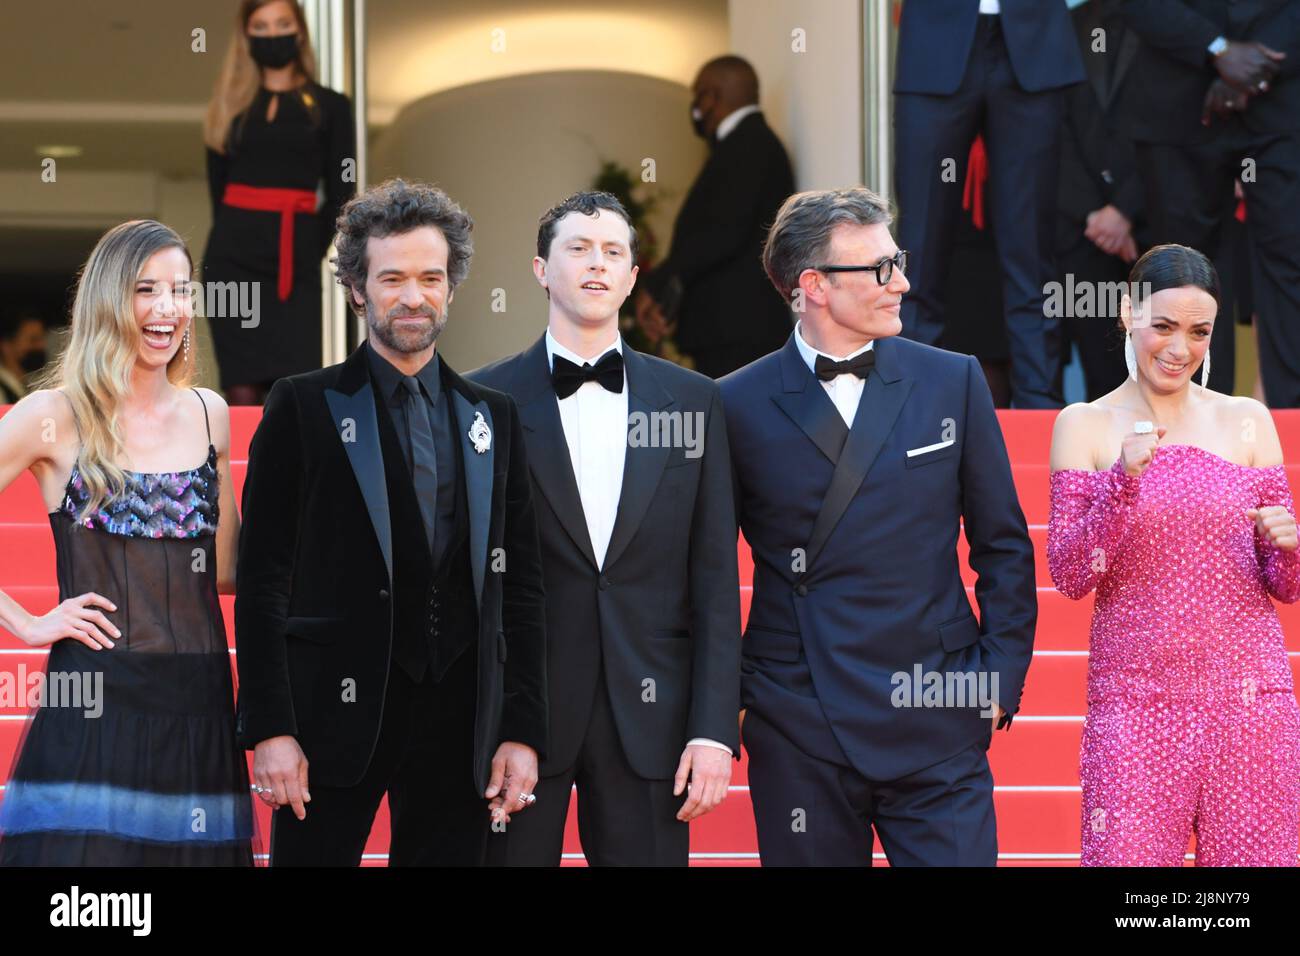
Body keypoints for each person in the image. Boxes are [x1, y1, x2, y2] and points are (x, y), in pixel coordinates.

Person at [719, 187, 1037, 866]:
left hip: (939, 714)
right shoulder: (734, 403)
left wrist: (995, 682)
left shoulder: (952, 380)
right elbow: (707, 571)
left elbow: (1003, 544)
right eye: (881, 269)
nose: (904, 283)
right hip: (800, 722)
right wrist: (740, 708)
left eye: (898, 261)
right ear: (815, 286)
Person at [235, 178, 547, 866]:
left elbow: (521, 589)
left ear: (451, 288)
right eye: (393, 277)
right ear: (356, 288)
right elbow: (262, 582)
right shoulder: (301, 406)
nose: (414, 296)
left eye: (431, 277)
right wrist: (271, 728)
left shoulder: (492, 417)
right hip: (327, 721)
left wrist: (521, 731)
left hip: (460, 724)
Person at [471, 191, 741, 866]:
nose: (597, 265)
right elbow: (474, 579)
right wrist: (490, 722)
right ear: (540, 269)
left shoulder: (695, 400)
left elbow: (713, 576)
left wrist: (713, 730)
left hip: (653, 719)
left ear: (631, 275)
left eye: (613, 252)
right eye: (578, 249)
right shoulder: (482, 401)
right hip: (522, 723)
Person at [0, 220, 252, 865]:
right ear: (108, 300)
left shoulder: (209, 414)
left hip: (198, 706)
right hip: (93, 706)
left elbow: (227, 573)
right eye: (146, 289)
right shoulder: (51, 417)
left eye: (179, 289)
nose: (166, 308)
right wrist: (26, 623)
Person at [1047, 243, 1300, 866]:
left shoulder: (1248, 420)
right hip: (1134, 703)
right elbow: (1072, 573)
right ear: (1127, 315)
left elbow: (1285, 585)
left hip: (1250, 702)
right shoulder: (1083, 423)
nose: (1179, 348)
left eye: (1198, 331)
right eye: (1162, 326)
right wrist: (1121, 483)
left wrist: (1288, 546)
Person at [894, 0, 1085, 408]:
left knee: (1032, 250)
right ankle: (906, 403)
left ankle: (1040, 409)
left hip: (1035, 43)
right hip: (935, 41)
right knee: (920, 245)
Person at [1118, 0, 1300, 404]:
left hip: (1284, 97)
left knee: (1292, 261)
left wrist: (1251, 68)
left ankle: (1293, 426)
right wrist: (1217, 50)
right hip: (1175, 95)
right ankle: (1186, 422)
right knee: (1182, 272)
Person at [202, 0, 356, 405]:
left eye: (283, 24)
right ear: (246, 37)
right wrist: (239, 237)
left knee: (293, 389)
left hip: (294, 264)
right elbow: (219, 195)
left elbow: (344, 189)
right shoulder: (228, 108)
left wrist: (310, 247)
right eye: (262, 26)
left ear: (300, 31)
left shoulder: (332, 107)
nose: (273, 35)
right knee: (239, 385)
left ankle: (285, 470)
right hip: (230, 261)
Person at [635, 55, 795, 378]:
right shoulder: (746, 145)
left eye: (698, 95)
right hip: (732, 334)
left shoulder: (747, 146)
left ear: (713, 96)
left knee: (733, 428)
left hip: (738, 336)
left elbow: (721, 234)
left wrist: (655, 283)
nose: (696, 108)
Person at [1054, 0, 1145, 402]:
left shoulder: (1176, 27)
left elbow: (1181, 125)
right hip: (1079, 228)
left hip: (1156, 222)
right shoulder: (1063, 27)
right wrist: (1096, 213)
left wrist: (1127, 208)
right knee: (1100, 370)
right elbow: (1050, 128)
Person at [0, 313, 47, 404]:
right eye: (33, 340)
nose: (41, 346)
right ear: (7, 346)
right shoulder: (3, 392)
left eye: (42, 339)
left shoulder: (27, 386)